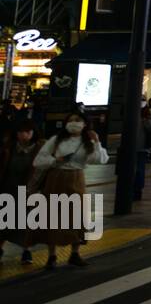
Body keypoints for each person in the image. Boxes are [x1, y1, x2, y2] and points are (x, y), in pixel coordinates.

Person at [32, 110, 109, 269]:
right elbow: (38, 160)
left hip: (76, 178)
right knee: (53, 216)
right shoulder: (56, 139)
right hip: (56, 178)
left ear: (84, 124)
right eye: (71, 120)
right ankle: (52, 255)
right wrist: (55, 160)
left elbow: (99, 160)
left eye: (78, 120)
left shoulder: (88, 141)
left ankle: (75, 253)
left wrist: (97, 142)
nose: (74, 123)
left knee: (77, 215)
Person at [0, 119, 42, 265]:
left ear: (33, 133)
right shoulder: (9, 148)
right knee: (4, 221)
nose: (24, 135)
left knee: (26, 222)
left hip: (28, 191)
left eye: (28, 132)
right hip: (7, 188)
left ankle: (26, 250)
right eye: (20, 132)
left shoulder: (38, 149)